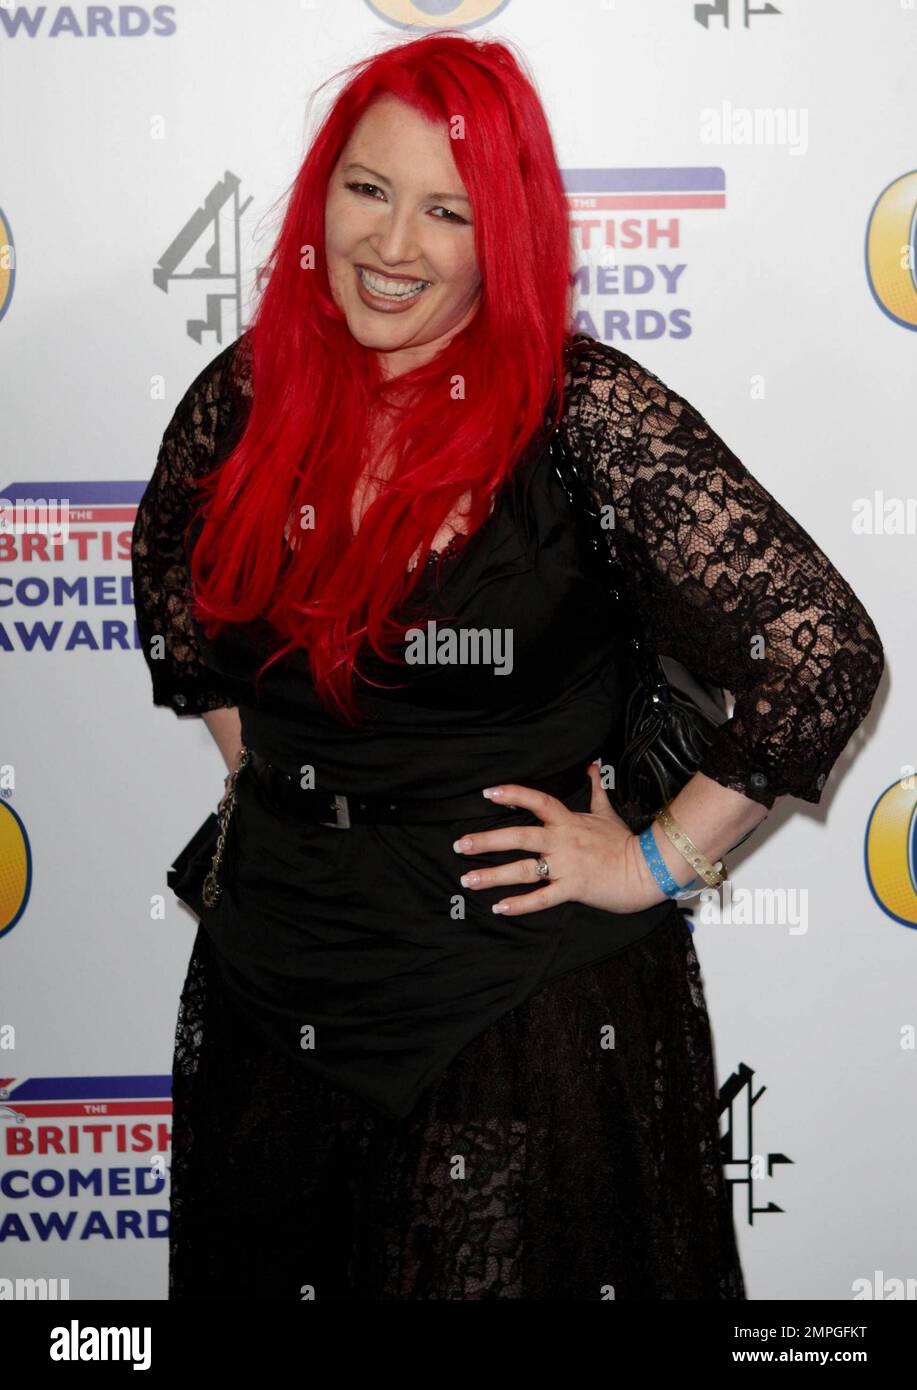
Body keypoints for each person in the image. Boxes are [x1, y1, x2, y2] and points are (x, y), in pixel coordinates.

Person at [131, 32, 885, 1301]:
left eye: (447, 210)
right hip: (274, 988)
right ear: (322, 194)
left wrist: (654, 857)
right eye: (367, 190)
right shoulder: (247, 395)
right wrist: (282, 769)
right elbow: (176, 594)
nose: (392, 245)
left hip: (508, 1011)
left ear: (506, 236)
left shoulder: (581, 415)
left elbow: (817, 652)